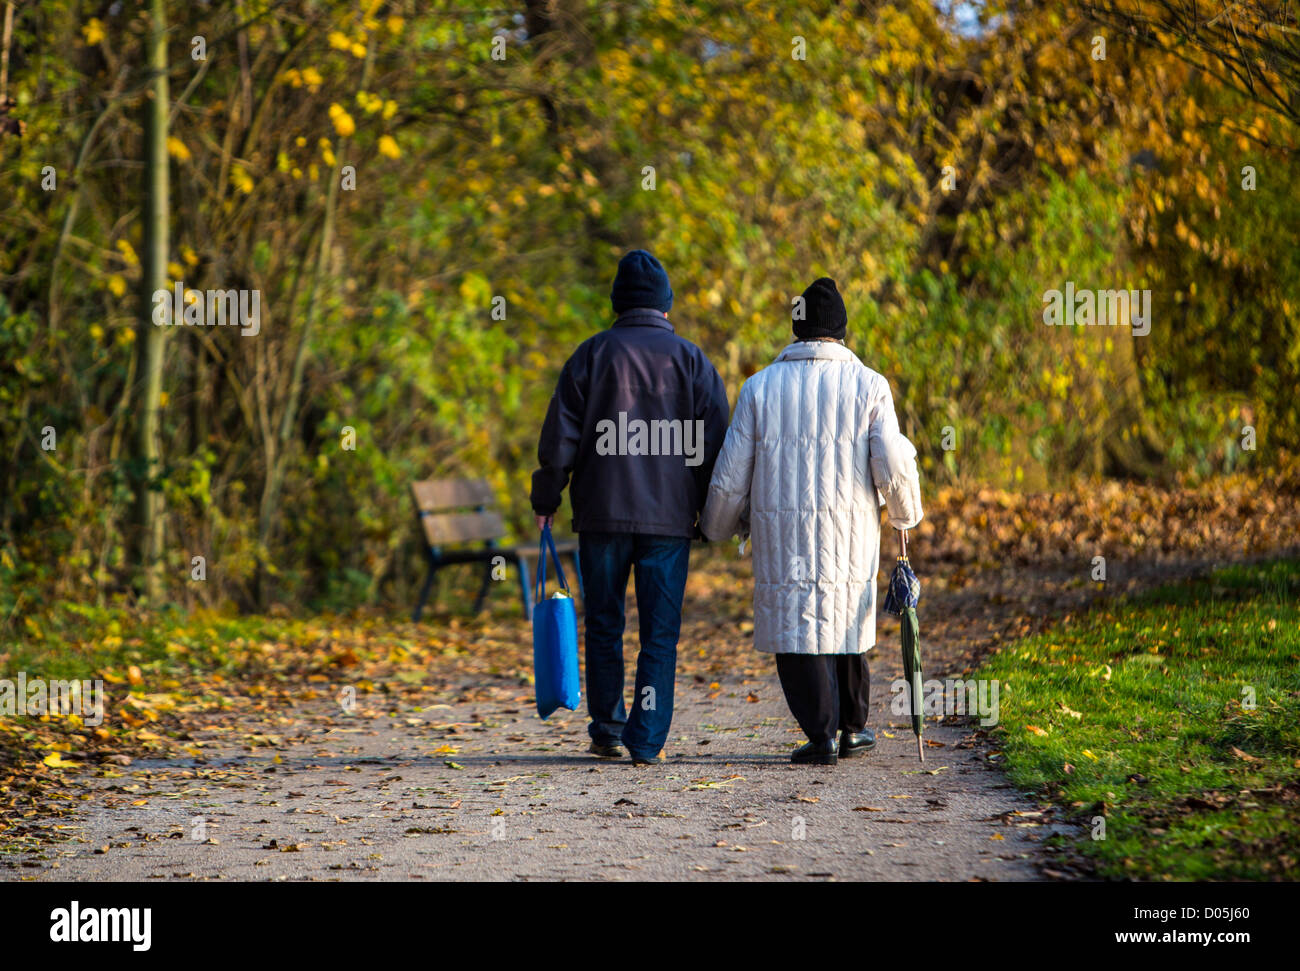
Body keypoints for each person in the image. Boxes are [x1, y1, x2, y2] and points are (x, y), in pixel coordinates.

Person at [701, 277, 923, 765]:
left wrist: (716, 526)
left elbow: (731, 473)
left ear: (796, 328)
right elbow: (891, 458)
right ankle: (852, 729)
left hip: (785, 537)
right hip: (850, 533)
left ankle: (821, 735)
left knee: (796, 624)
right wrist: (905, 514)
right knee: (846, 616)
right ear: (841, 330)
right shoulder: (870, 385)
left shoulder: (759, 388)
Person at [531, 250, 729, 764]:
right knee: (659, 632)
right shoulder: (691, 361)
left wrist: (547, 497)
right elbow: (714, 445)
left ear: (617, 302)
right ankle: (647, 739)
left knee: (604, 623)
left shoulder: (591, 355)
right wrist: (706, 508)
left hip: (602, 516)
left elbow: (560, 439)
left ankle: (608, 729)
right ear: (666, 303)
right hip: (669, 520)